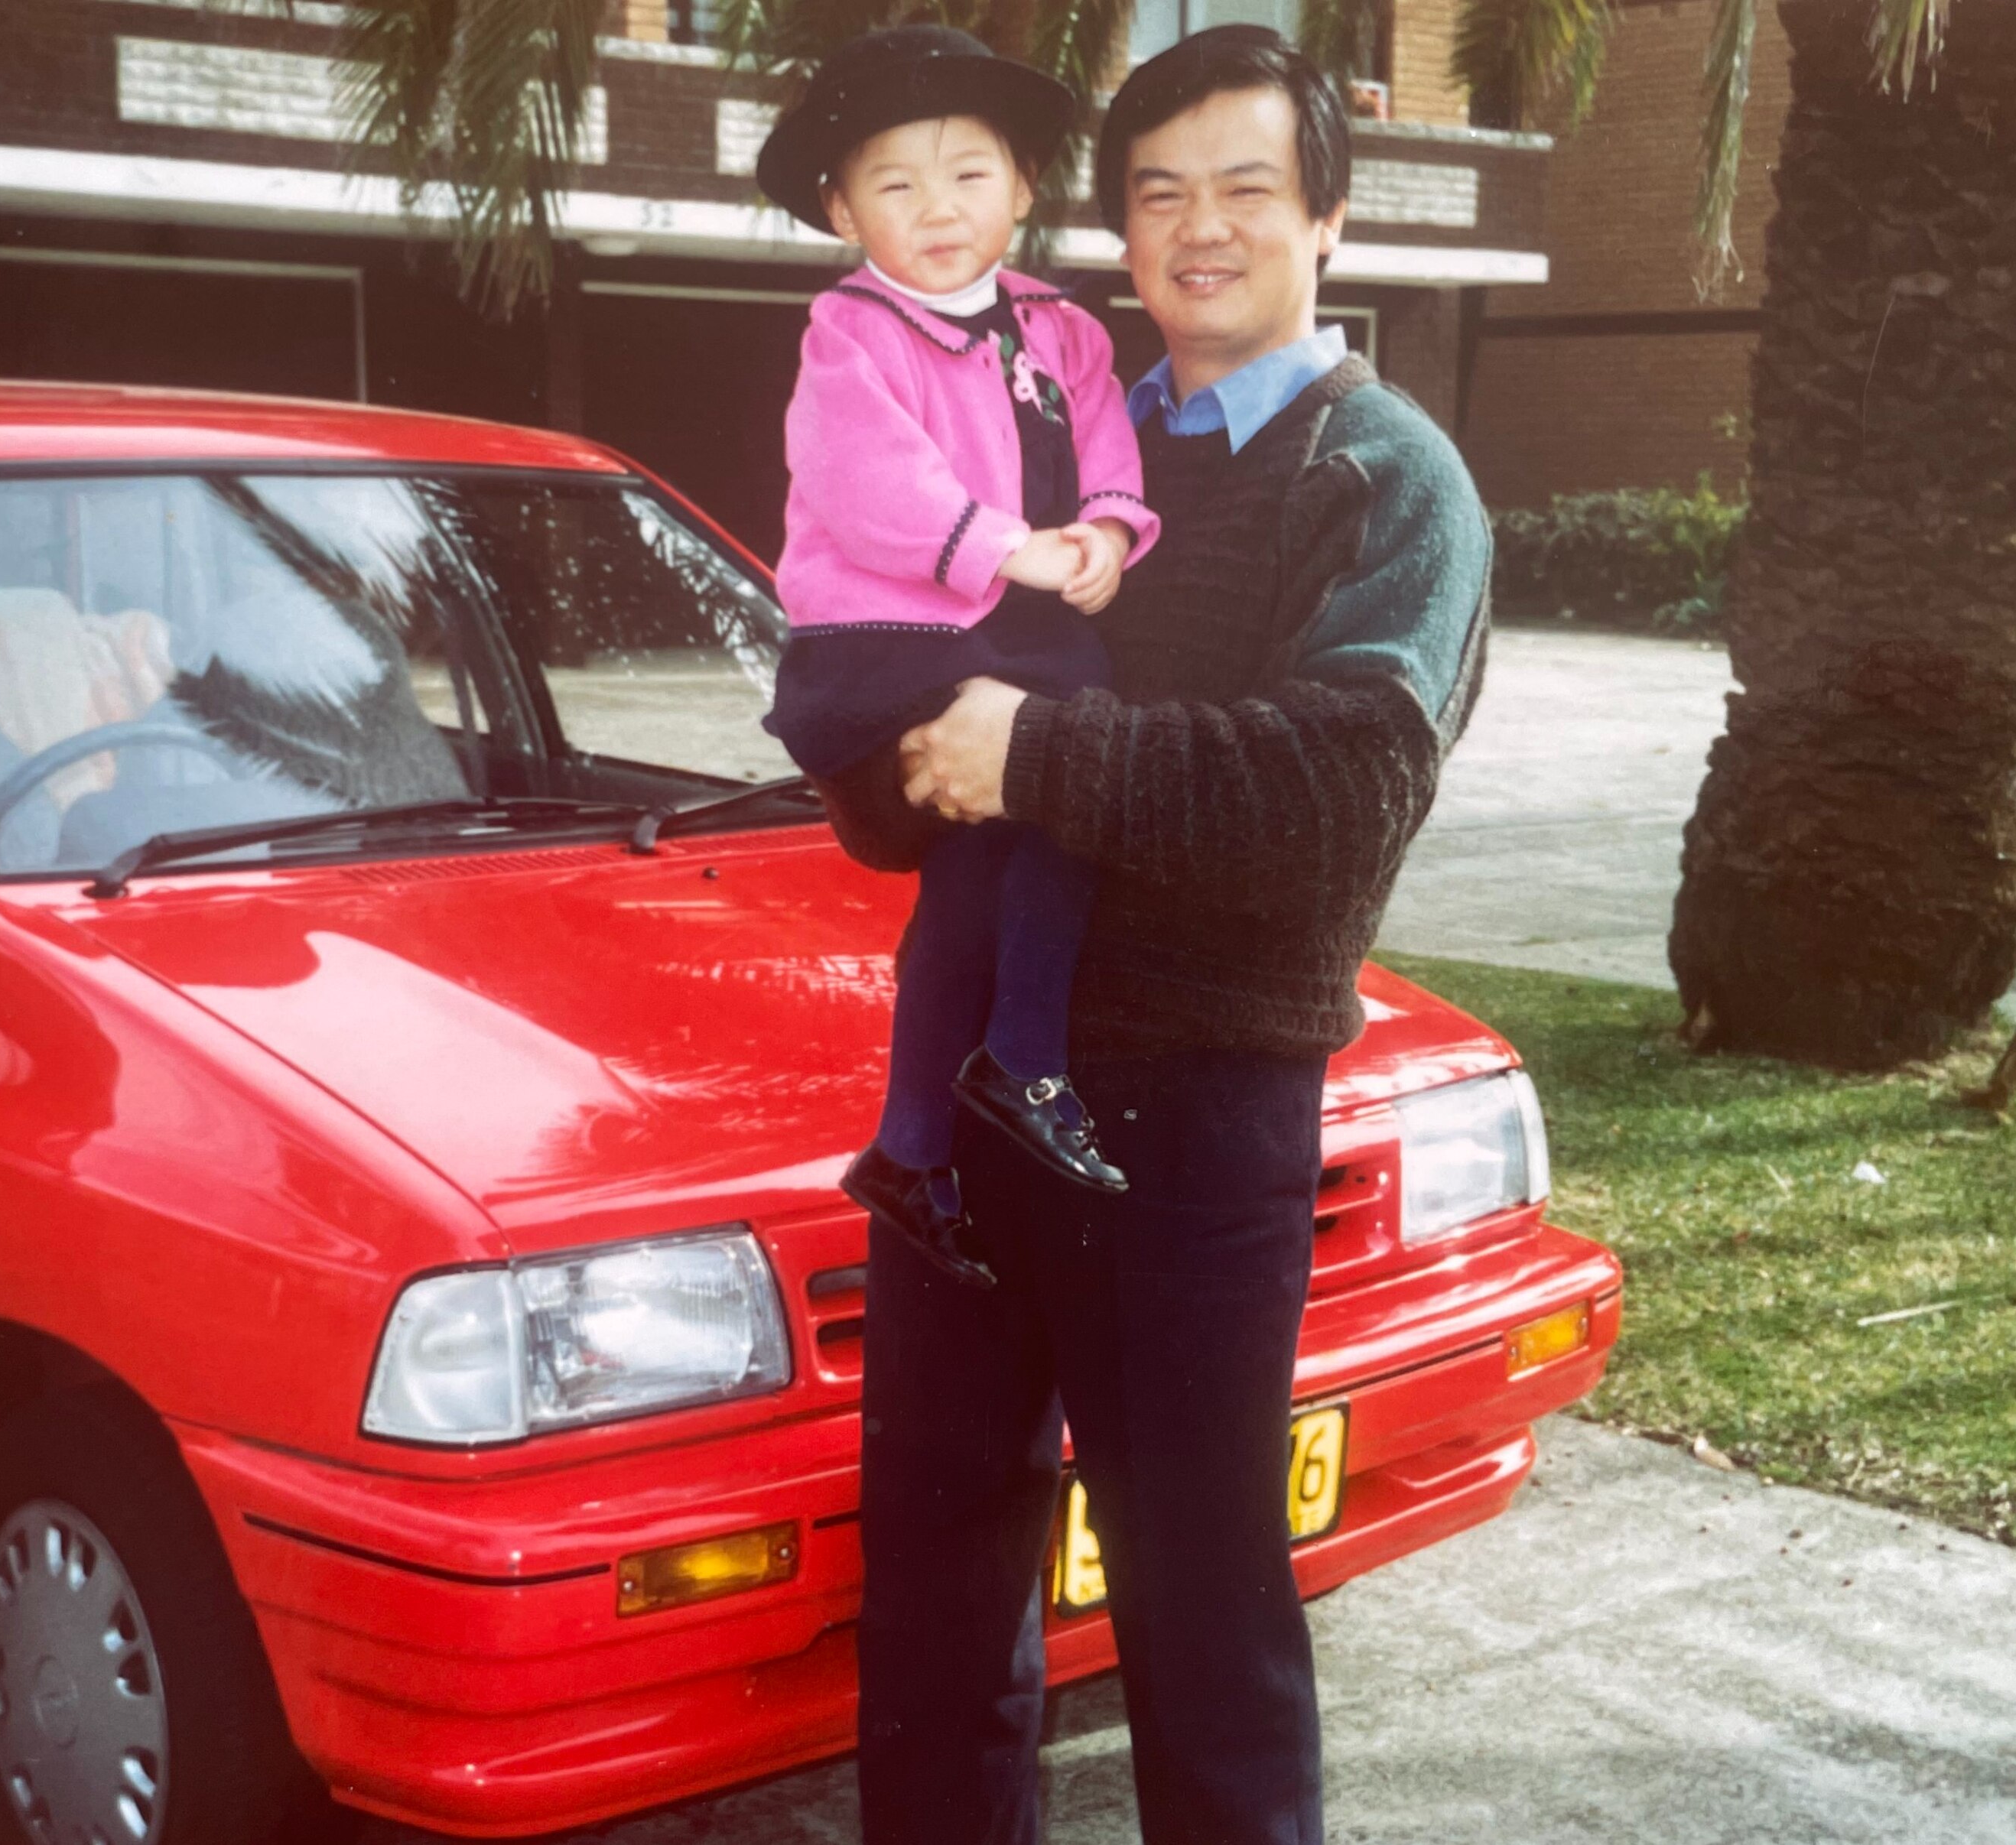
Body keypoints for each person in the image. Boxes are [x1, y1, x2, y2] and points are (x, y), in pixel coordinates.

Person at [846, 25, 1494, 1845]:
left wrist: (1033, 755)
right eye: (1158, 194)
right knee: (935, 1597)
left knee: (1202, 1622)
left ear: (1328, 218)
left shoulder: (1385, 479)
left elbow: (1342, 788)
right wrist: (885, 739)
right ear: (1117, 229)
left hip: (1193, 1124)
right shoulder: (1052, 437)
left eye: (1245, 188)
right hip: (969, 1111)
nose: (1200, 228)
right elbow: (899, 749)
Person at [753, 25, 1163, 1286]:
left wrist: (1107, 532)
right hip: (881, 637)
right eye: (895, 183)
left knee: (988, 860)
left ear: (1024, 186)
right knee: (1073, 746)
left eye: (969, 174)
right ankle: (1024, 1057)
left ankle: (913, 1141)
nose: (937, 208)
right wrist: (1010, 547)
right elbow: (870, 483)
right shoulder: (852, 334)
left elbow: (1107, 444)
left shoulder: (1062, 326)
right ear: (842, 211)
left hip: (1006, 621)